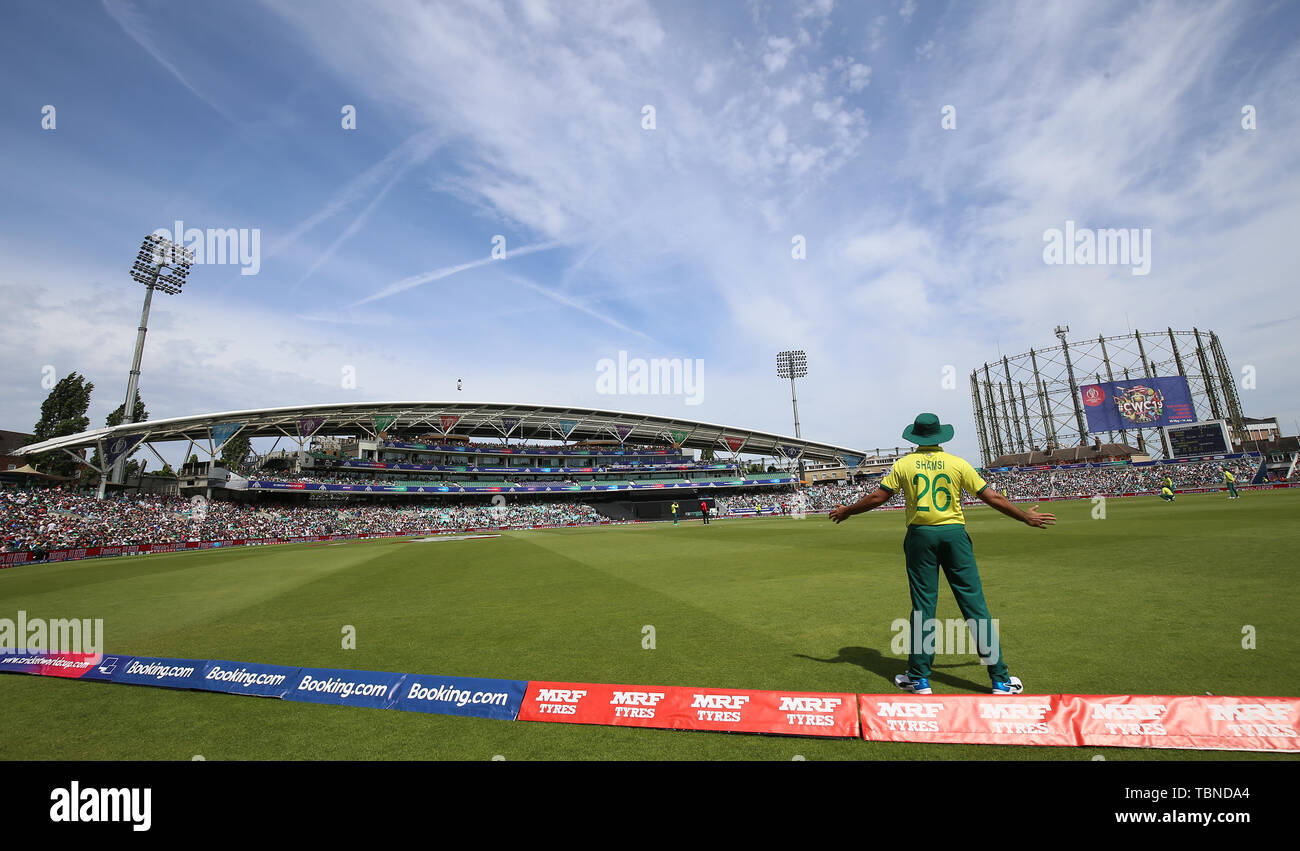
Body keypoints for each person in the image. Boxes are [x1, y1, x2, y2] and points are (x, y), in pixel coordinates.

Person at [829, 413, 1056, 696]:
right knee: (975, 605)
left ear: (915, 437)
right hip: (955, 535)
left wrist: (846, 511)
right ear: (940, 437)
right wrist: (1024, 517)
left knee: (923, 607)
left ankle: (919, 679)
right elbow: (991, 497)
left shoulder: (904, 464)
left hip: (921, 537)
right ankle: (1000, 679)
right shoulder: (958, 463)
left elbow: (878, 497)